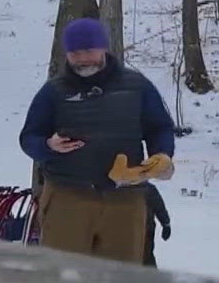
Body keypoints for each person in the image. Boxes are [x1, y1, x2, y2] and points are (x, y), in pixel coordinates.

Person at [19, 17, 176, 263]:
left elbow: (160, 127)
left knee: (120, 278)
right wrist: (47, 146)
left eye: (89, 50)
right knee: (63, 275)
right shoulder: (53, 92)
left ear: (104, 47)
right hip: (66, 198)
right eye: (74, 52)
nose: (82, 58)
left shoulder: (136, 86)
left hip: (125, 201)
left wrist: (162, 154)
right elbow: (28, 138)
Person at [144, 182, 172, 268]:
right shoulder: (148, 188)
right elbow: (159, 208)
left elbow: (159, 207)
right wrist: (166, 224)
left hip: (145, 230)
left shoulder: (148, 189)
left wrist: (166, 224)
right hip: (145, 230)